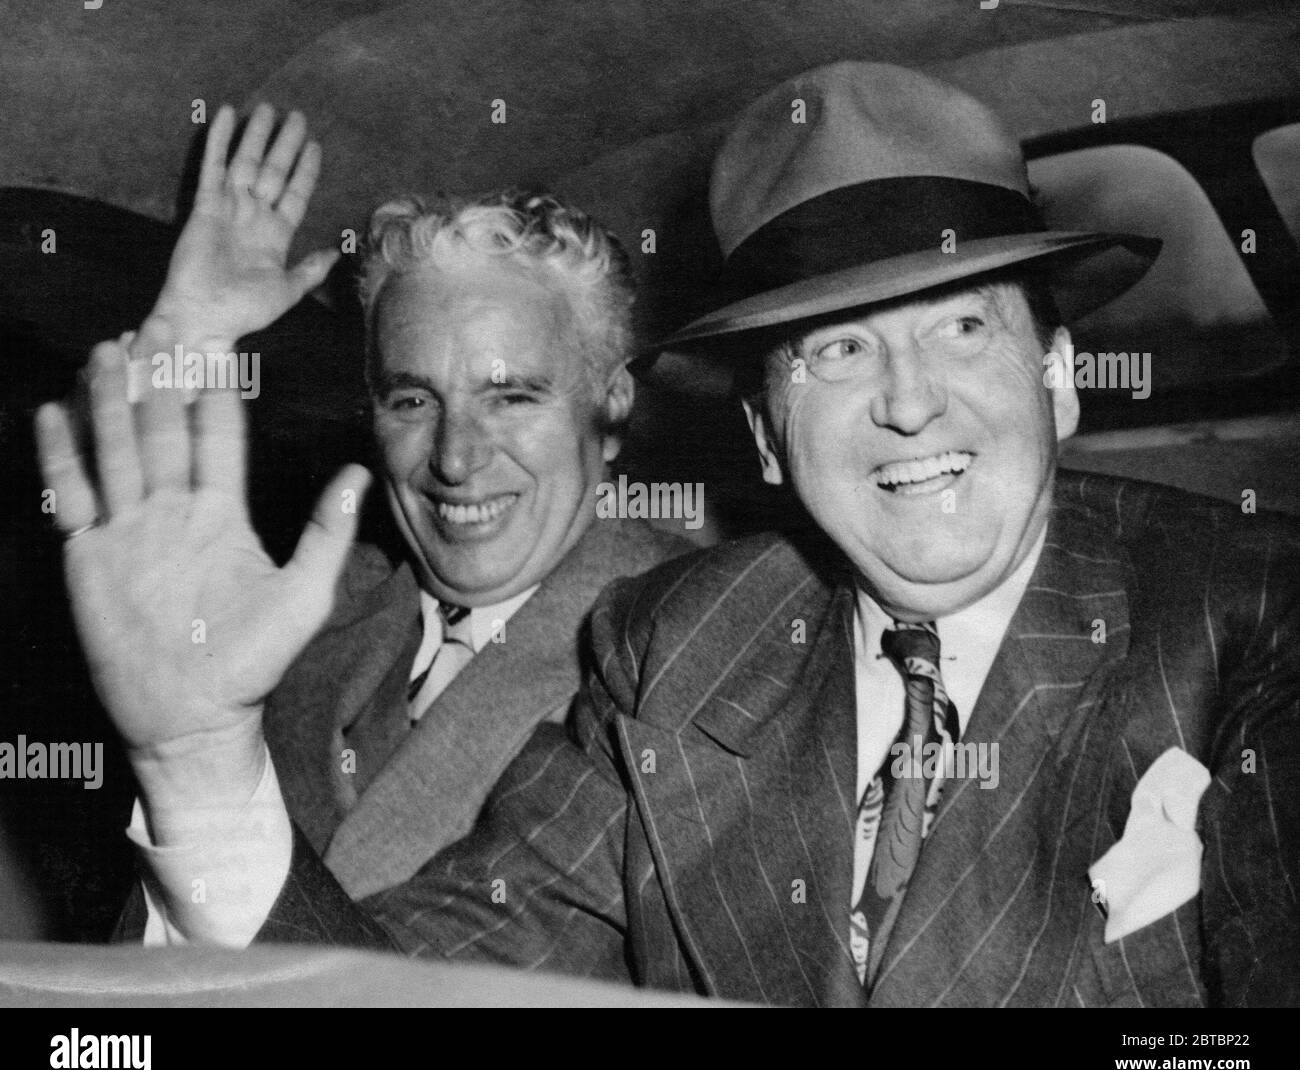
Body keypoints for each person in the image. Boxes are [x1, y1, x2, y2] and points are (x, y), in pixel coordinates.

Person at [40, 65, 1299, 1005]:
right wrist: (201, 757)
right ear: (763, 436)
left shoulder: (1250, 614)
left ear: (1063, 379)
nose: (908, 401)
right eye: (837, 350)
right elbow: (419, 985)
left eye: (965, 327)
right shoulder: (685, 642)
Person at [35, 102, 685, 940]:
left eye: (511, 397)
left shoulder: (682, 651)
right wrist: (183, 342)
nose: (454, 458)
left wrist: (197, 766)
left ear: (614, 404)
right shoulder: (332, 605)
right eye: (413, 400)